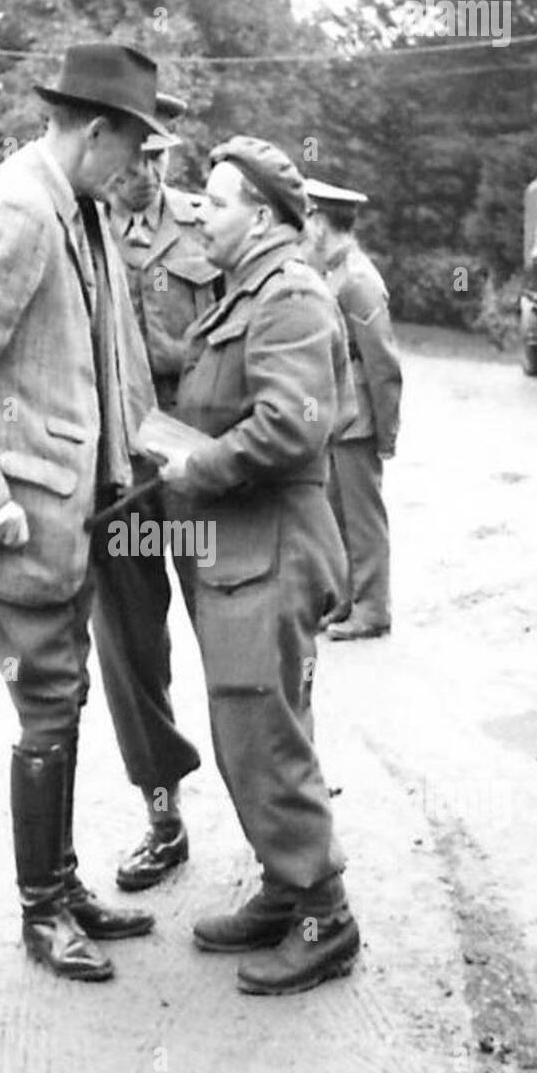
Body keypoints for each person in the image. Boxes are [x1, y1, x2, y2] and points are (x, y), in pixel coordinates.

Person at [0, 44, 171, 983]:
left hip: (70, 514)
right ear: (94, 130)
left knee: (61, 698)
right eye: (133, 149)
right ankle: (39, 913)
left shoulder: (79, 207)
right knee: (47, 707)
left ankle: (59, 887)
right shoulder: (23, 211)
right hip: (18, 522)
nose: (138, 170)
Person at [155, 136, 358, 996]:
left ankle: (323, 913)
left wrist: (195, 465)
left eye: (219, 199)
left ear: (266, 217)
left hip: (268, 545)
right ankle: (284, 887)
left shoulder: (289, 296)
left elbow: (292, 424)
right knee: (254, 728)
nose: (201, 210)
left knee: (264, 733)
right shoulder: (244, 291)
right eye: (202, 196)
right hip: (237, 547)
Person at [95, 96, 223, 892]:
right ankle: (161, 812)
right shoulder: (77, 232)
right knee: (131, 650)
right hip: (120, 480)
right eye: (136, 157)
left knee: (234, 627)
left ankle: (276, 812)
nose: (148, 172)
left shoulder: (208, 230)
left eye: (159, 157)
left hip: (198, 472)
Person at [302, 179, 402, 640]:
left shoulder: (358, 281)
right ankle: (345, 598)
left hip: (359, 418)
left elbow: (382, 363)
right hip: (341, 417)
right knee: (335, 512)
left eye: (308, 219)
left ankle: (373, 609)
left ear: (323, 224)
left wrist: (387, 432)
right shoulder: (335, 274)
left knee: (363, 520)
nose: (304, 229)